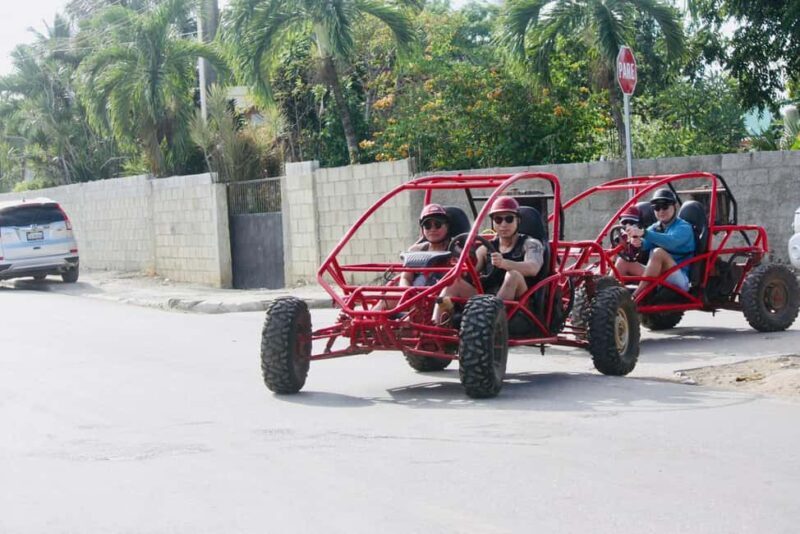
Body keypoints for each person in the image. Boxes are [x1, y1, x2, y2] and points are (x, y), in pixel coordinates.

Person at [434, 196, 544, 323]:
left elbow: (533, 268)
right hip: (487, 299)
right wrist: (464, 264)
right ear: (493, 222)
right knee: (454, 283)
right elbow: (472, 273)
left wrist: (504, 263)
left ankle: (490, 320)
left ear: (518, 220)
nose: (503, 224)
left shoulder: (530, 243)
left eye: (509, 219)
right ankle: (436, 326)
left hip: (521, 303)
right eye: (498, 219)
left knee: (513, 275)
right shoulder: (485, 248)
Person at [617, 188, 696, 298]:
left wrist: (644, 233)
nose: (661, 211)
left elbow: (670, 241)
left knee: (658, 252)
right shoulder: (655, 227)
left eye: (665, 206)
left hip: (680, 279)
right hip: (657, 274)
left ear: (674, 206)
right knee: (623, 260)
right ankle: (609, 296)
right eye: (657, 208)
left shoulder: (684, 227)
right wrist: (635, 241)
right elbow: (645, 243)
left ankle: (635, 298)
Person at [373, 204, 451, 311]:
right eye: (427, 225)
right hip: (413, 295)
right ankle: (364, 322)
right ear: (422, 228)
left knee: (442, 301)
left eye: (437, 224)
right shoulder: (415, 250)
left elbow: (457, 283)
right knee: (386, 299)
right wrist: (409, 294)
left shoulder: (455, 250)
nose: (432, 229)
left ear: (447, 226)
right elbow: (405, 278)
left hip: (441, 297)